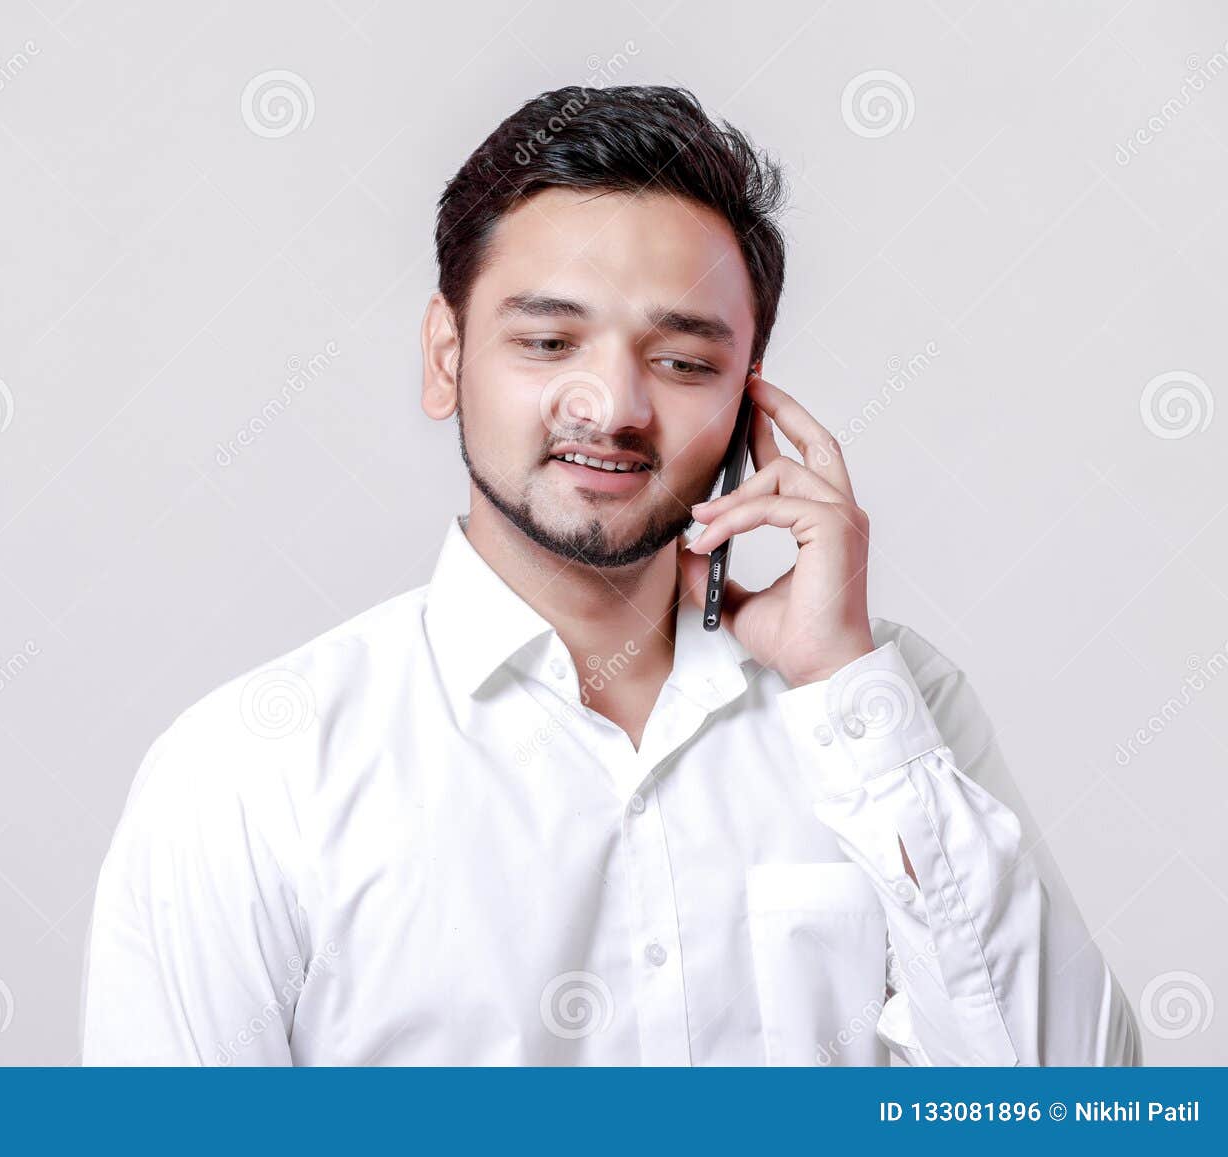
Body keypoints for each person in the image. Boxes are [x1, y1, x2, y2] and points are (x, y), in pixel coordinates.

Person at [80, 85, 1142, 1066]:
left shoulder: (890, 707)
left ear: (749, 400)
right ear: (447, 357)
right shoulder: (252, 770)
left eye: (684, 361)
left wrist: (841, 686)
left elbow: (1080, 1113)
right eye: (547, 339)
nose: (613, 406)